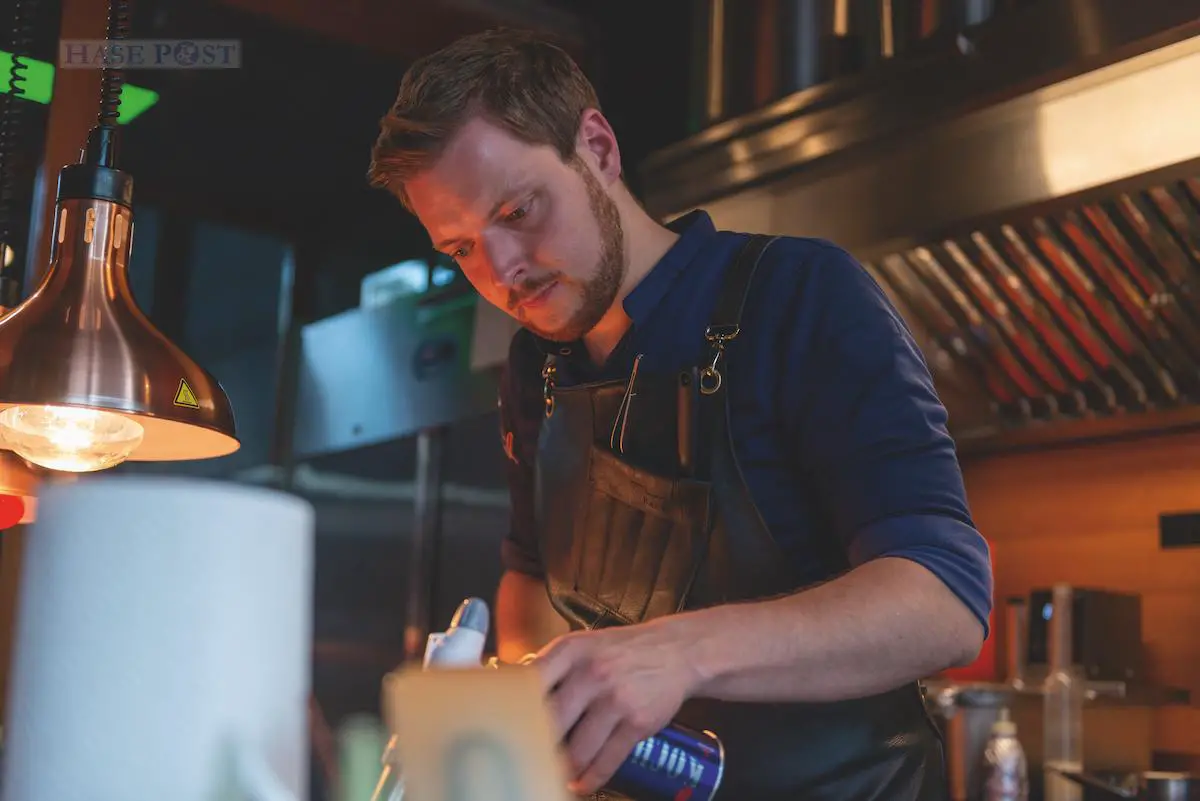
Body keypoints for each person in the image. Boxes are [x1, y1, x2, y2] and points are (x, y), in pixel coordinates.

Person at [367, 28, 993, 801]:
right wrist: (541, 713)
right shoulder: (536, 368)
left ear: (596, 147)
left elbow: (945, 601)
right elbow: (531, 588)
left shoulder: (800, 294)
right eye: (461, 248)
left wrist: (679, 653)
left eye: (519, 209)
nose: (502, 271)